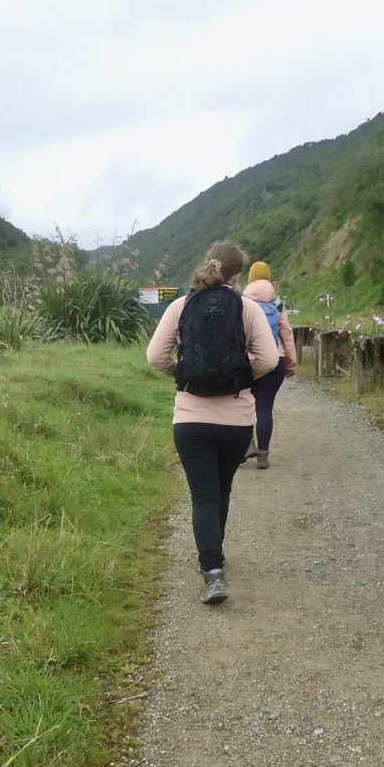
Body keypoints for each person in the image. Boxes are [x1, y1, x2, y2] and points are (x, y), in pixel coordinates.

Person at [147, 241, 280, 604]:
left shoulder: (181, 306)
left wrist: (183, 374)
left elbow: (154, 355)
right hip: (236, 421)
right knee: (221, 489)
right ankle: (214, 555)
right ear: (237, 276)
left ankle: (213, 569)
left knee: (202, 495)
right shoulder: (248, 308)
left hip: (190, 419)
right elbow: (269, 359)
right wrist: (239, 377)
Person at [241, 261, 298, 469]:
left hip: (248, 360)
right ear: (269, 279)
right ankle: (263, 455)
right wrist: (291, 363)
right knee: (264, 407)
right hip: (275, 360)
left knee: (243, 405)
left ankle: (245, 447)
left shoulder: (241, 302)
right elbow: (287, 335)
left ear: (250, 279)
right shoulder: (278, 304)